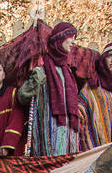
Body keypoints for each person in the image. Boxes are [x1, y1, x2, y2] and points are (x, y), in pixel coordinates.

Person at [20, 21, 84, 156]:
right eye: (70, 37)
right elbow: (22, 96)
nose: (73, 42)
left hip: (69, 131)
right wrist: (34, 81)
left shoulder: (68, 71)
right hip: (48, 127)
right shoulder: (42, 68)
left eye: (74, 39)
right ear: (60, 39)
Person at [81, 42, 112, 147]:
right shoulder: (94, 84)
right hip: (94, 142)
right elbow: (81, 106)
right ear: (104, 59)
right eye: (110, 55)